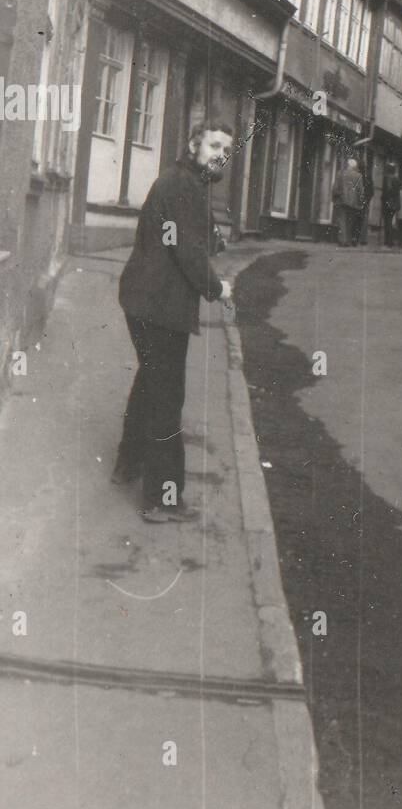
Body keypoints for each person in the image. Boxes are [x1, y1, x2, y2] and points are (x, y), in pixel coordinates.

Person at [112, 120, 234, 524]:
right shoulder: (184, 186)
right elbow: (185, 248)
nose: (220, 154)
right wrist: (217, 288)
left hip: (144, 299)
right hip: (159, 305)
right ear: (194, 143)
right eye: (215, 144)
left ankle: (127, 465)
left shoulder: (184, 182)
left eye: (226, 149)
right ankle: (161, 500)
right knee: (167, 396)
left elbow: (185, 235)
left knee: (150, 380)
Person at [332, 156, 365, 246]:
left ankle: (342, 240)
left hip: (341, 200)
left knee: (342, 220)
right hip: (353, 202)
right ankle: (348, 240)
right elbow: (360, 190)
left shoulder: (340, 173)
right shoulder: (358, 176)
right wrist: (361, 202)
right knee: (350, 222)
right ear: (354, 166)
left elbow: (335, 187)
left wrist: (334, 198)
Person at [381, 165, 400, 248]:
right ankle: (390, 240)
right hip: (394, 203)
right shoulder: (397, 180)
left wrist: (382, 199)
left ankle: (388, 241)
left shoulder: (387, 179)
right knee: (391, 222)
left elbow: (386, 192)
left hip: (387, 203)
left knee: (387, 222)